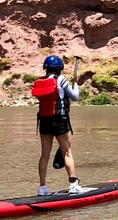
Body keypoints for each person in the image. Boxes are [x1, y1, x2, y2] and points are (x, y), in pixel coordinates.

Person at [32, 55, 82, 195]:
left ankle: (42, 188)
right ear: (60, 68)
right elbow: (75, 97)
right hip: (60, 120)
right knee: (67, 152)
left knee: (44, 155)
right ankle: (73, 184)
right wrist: (75, 83)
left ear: (45, 68)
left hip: (44, 121)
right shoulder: (61, 80)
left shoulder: (39, 82)